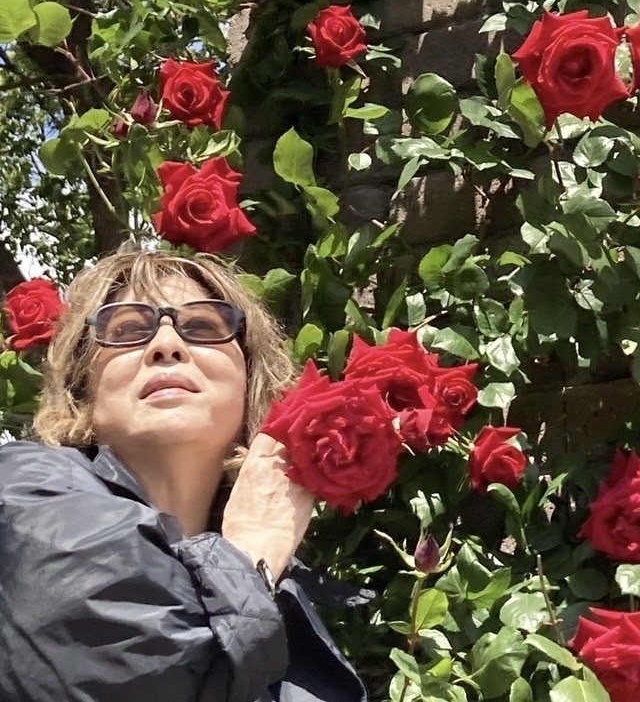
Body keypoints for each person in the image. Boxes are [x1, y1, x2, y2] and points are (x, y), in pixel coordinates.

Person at [0, 247, 368, 702]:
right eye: (129, 330)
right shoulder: (23, 488)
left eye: (202, 327)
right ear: (84, 389)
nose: (165, 344)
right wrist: (249, 553)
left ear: (250, 380)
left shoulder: (286, 597)